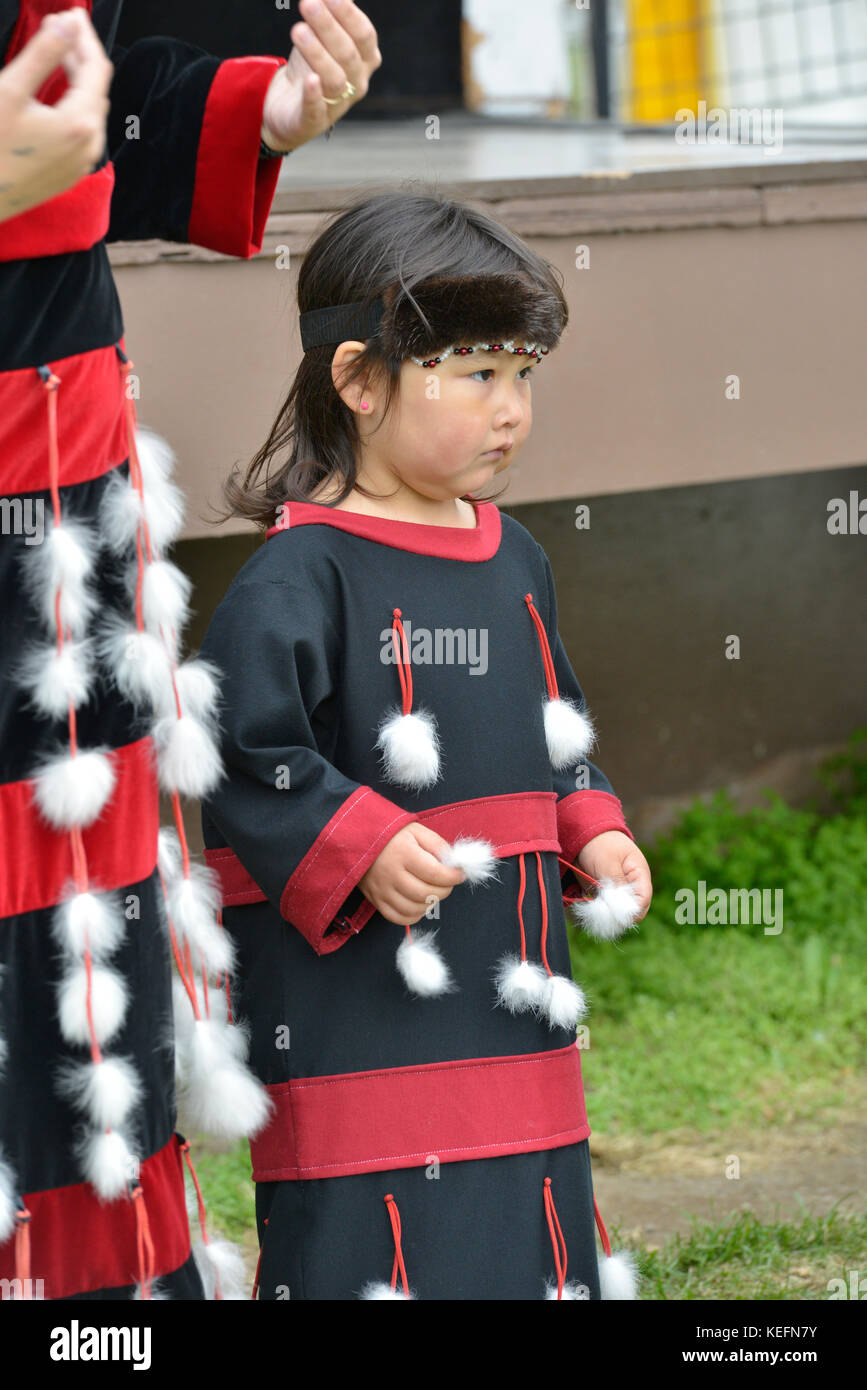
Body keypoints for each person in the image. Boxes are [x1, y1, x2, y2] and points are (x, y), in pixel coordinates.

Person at [199, 189, 654, 1301]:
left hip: (506, 970)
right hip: (356, 997)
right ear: (358, 381)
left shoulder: (517, 558)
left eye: (524, 375)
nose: (512, 410)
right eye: (477, 374)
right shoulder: (298, 576)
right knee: (376, 1222)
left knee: (524, 1204)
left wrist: (593, 828)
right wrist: (354, 839)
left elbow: (559, 727)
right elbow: (242, 757)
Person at [0, 1, 380, 1300]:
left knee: (82, 892)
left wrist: (250, 113)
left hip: (58, 425)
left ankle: (92, 1298)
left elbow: (82, 92)